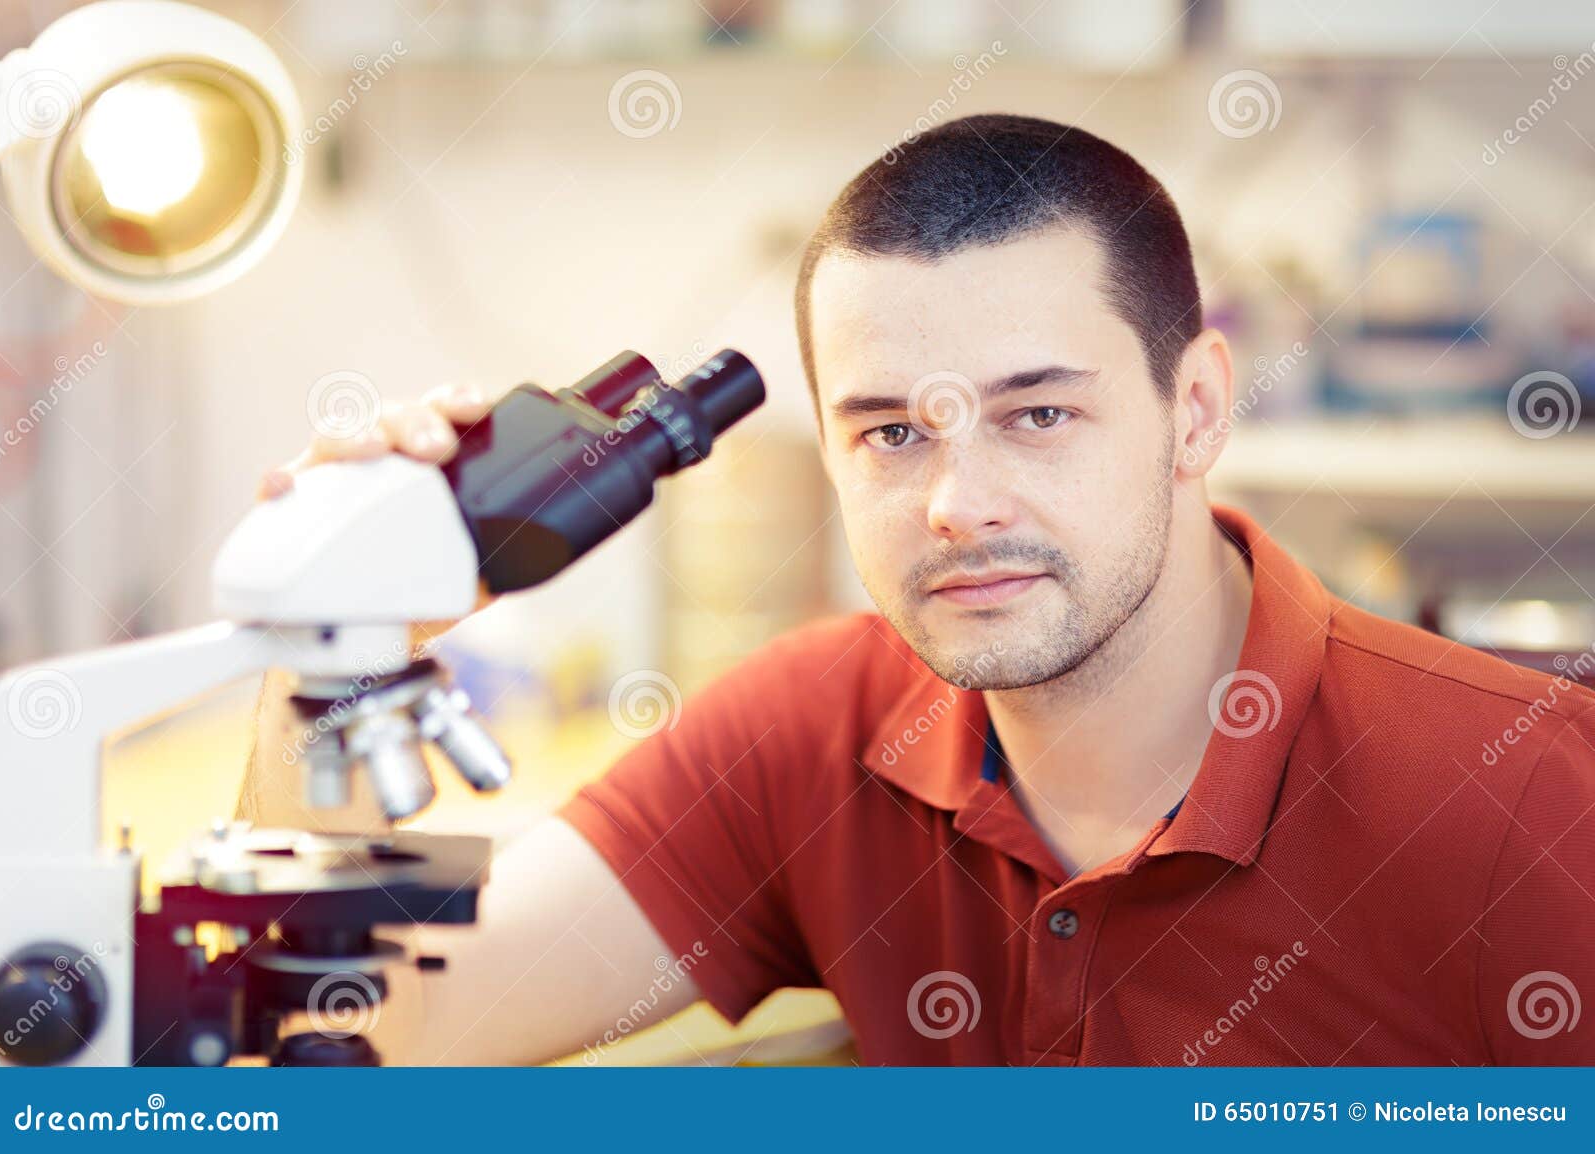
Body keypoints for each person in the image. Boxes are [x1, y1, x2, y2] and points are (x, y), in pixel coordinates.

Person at [244, 114, 1595, 1066]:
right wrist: (343, 630)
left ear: (1194, 411)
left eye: (1039, 416)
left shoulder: (1520, 791)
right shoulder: (815, 730)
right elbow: (369, 1025)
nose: (959, 502)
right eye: (892, 431)